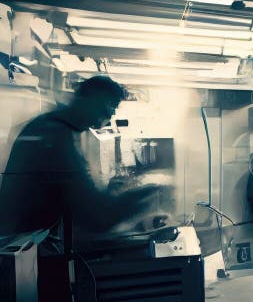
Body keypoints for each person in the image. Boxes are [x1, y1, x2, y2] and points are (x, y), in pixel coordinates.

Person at [0, 75, 158, 240]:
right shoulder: (53, 135)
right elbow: (97, 218)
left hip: (24, 240)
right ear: (88, 98)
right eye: (109, 105)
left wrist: (111, 194)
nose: (110, 114)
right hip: (20, 244)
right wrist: (147, 194)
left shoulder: (53, 126)